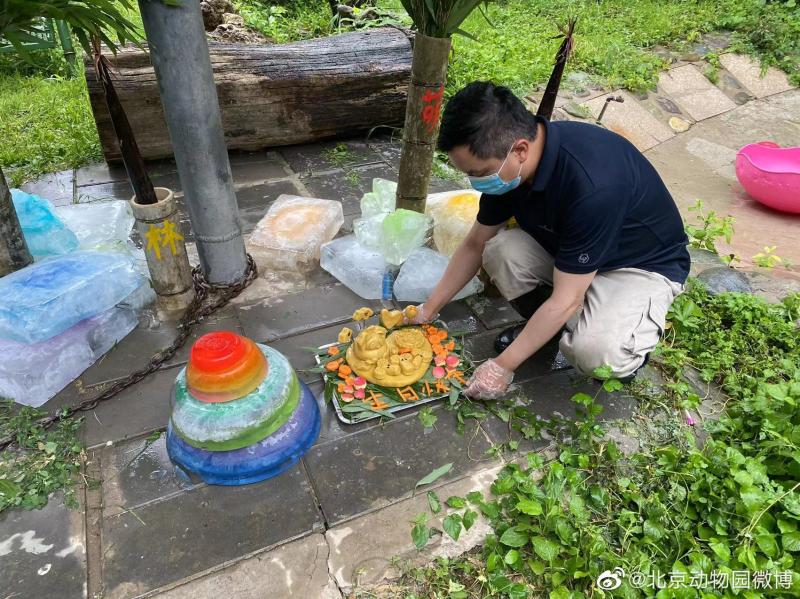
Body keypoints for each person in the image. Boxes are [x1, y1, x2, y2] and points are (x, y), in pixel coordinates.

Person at [409, 81, 689, 399]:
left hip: (635, 265)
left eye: (480, 172)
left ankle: (624, 344)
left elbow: (565, 299)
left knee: (597, 354)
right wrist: (428, 310)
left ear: (520, 150)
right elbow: (475, 243)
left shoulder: (593, 186)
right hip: (570, 251)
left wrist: (502, 366)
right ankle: (549, 329)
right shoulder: (511, 168)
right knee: (500, 251)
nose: (476, 181)